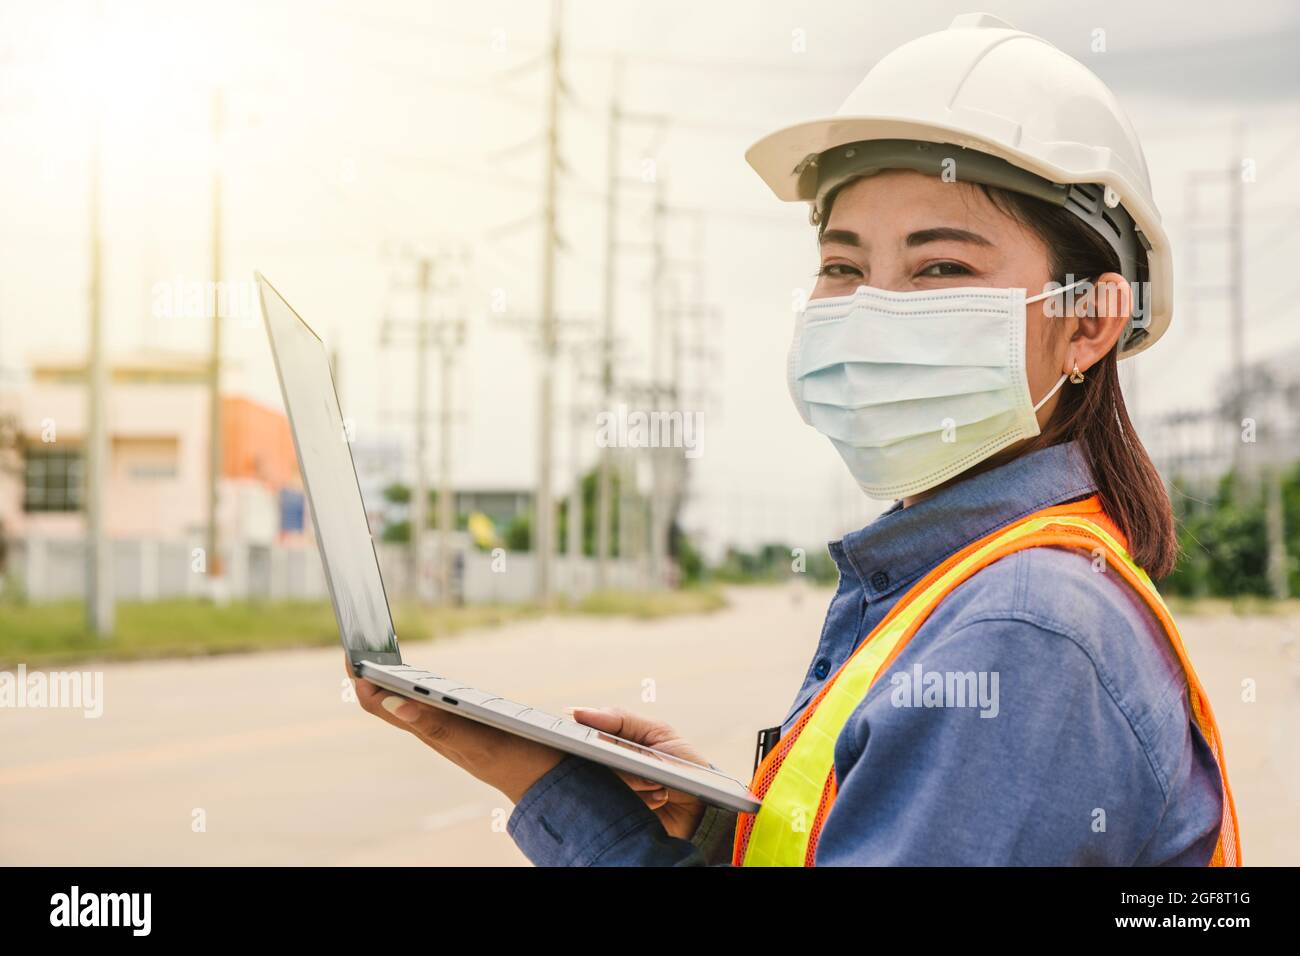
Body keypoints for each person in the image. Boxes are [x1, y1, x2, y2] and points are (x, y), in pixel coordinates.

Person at [351, 13, 1240, 866]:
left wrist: (555, 794)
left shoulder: (1026, 629)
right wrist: (729, 824)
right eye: (843, 267)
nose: (873, 310)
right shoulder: (965, 586)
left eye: (940, 268)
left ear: (1088, 325)